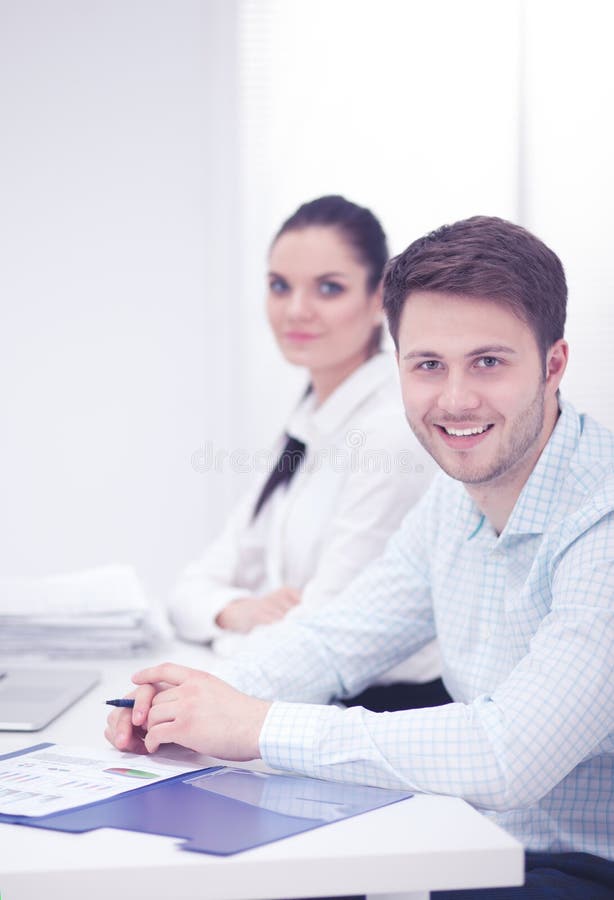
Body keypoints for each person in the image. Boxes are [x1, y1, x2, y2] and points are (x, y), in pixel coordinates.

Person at [106, 216, 614, 899]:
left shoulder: (601, 517)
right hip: (473, 842)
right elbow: (334, 641)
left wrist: (254, 723)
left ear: (553, 365)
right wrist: (182, 704)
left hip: (579, 866)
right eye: (428, 365)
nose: (456, 399)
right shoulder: (454, 501)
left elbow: (507, 754)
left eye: (488, 362)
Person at [169, 195, 443, 708]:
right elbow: (189, 588)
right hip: (297, 693)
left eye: (329, 288)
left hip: (378, 712)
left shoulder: (392, 429)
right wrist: (235, 611)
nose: (297, 310)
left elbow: (325, 628)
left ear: (378, 297)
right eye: (280, 286)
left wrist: (226, 636)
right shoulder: (307, 424)